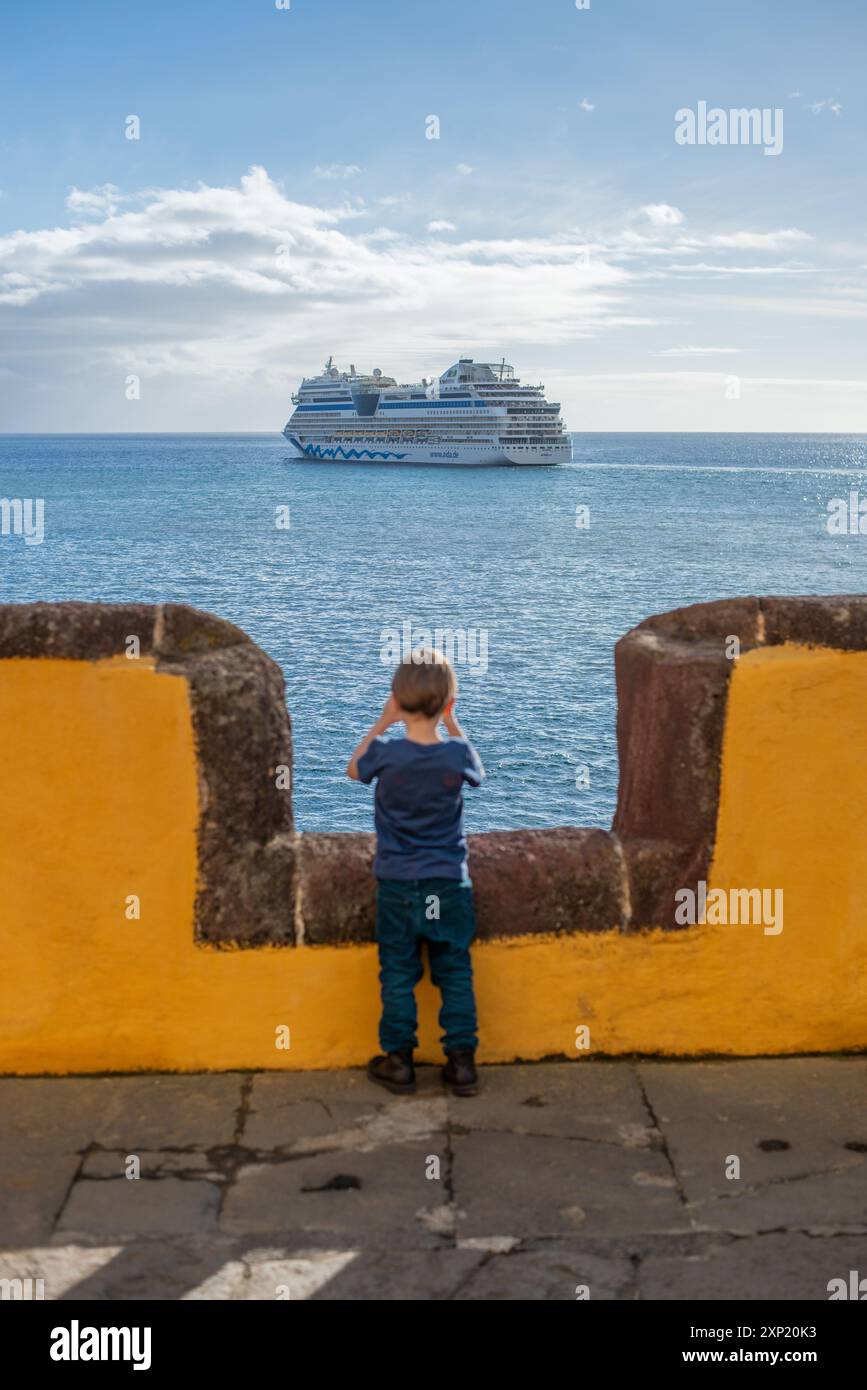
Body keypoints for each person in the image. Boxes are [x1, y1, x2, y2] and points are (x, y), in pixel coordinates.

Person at [346, 650, 484, 1096]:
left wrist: (382, 723)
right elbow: (477, 771)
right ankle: (461, 1064)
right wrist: (452, 723)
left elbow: (353, 770)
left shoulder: (386, 755)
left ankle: (399, 1062)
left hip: (398, 883)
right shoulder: (456, 754)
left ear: (397, 700)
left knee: (399, 973)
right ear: (447, 703)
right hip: (448, 882)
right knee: (456, 973)